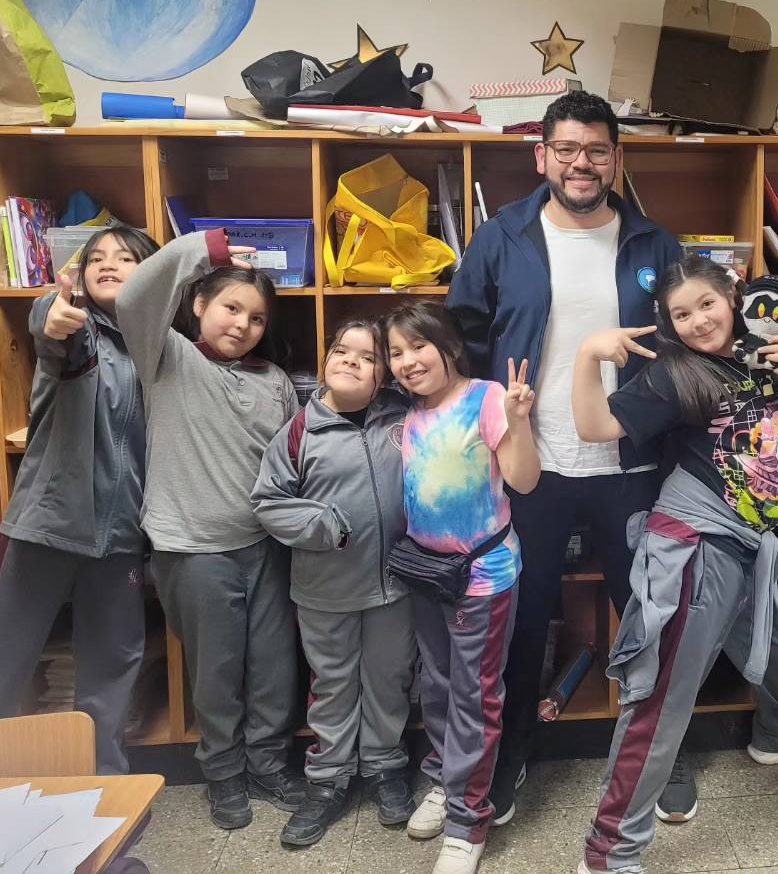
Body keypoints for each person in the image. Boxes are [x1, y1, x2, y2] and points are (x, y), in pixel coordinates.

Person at [446, 90, 689, 821]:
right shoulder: (501, 237)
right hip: (531, 465)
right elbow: (463, 335)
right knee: (523, 619)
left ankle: (659, 757)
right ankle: (514, 753)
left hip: (631, 468)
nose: (582, 163)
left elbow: (684, 347)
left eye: (597, 150)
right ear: (542, 155)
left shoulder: (654, 244)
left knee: (648, 613)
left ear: (617, 158)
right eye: (568, 149)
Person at [575, 254, 778, 874]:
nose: (696, 321)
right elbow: (593, 426)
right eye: (680, 314)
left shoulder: (766, 357)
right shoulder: (674, 373)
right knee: (659, 700)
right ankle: (609, 853)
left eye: (706, 305)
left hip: (750, 544)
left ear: (734, 295)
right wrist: (587, 357)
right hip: (694, 545)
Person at [116, 230, 303, 830]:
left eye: (255, 317)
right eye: (230, 307)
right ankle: (223, 775)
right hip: (194, 550)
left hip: (266, 545)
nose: (243, 324)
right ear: (197, 304)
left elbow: (298, 456)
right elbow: (133, 295)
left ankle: (269, 764)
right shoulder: (167, 356)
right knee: (217, 669)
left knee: (273, 664)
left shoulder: (272, 379)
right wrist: (209, 247)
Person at [0, 226, 159, 774]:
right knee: (1, 666)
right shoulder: (79, 334)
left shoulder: (157, 350)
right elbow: (50, 328)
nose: (108, 265)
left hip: (121, 537)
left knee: (111, 673)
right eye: (96, 258)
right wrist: (51, 311)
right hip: (44, 530)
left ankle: (102, 794)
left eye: (125, 258)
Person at [383, 301, 540, 874]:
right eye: (395, 353)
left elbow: (524, 479)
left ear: (448, 345)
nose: (407, 361)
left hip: (482, 578)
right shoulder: (414, 413)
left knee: (475, 697)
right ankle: (443, 782)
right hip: (429, 574)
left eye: (417, 346)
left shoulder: (487, 398)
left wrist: (518, 420)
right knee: (439, 686)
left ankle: (467, 819)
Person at [253, 319, 416, 848]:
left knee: (390, 679)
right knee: (333, 685)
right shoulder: (300, 432)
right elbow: (269, 502)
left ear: (382, 377)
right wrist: (325, 524)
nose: (350, 360)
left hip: (397, 588)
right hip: (326, 591)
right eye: (341, 351)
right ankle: (328, 780)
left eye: (366, 357)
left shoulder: (402, 420)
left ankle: (385, 766)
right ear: (325, 361)